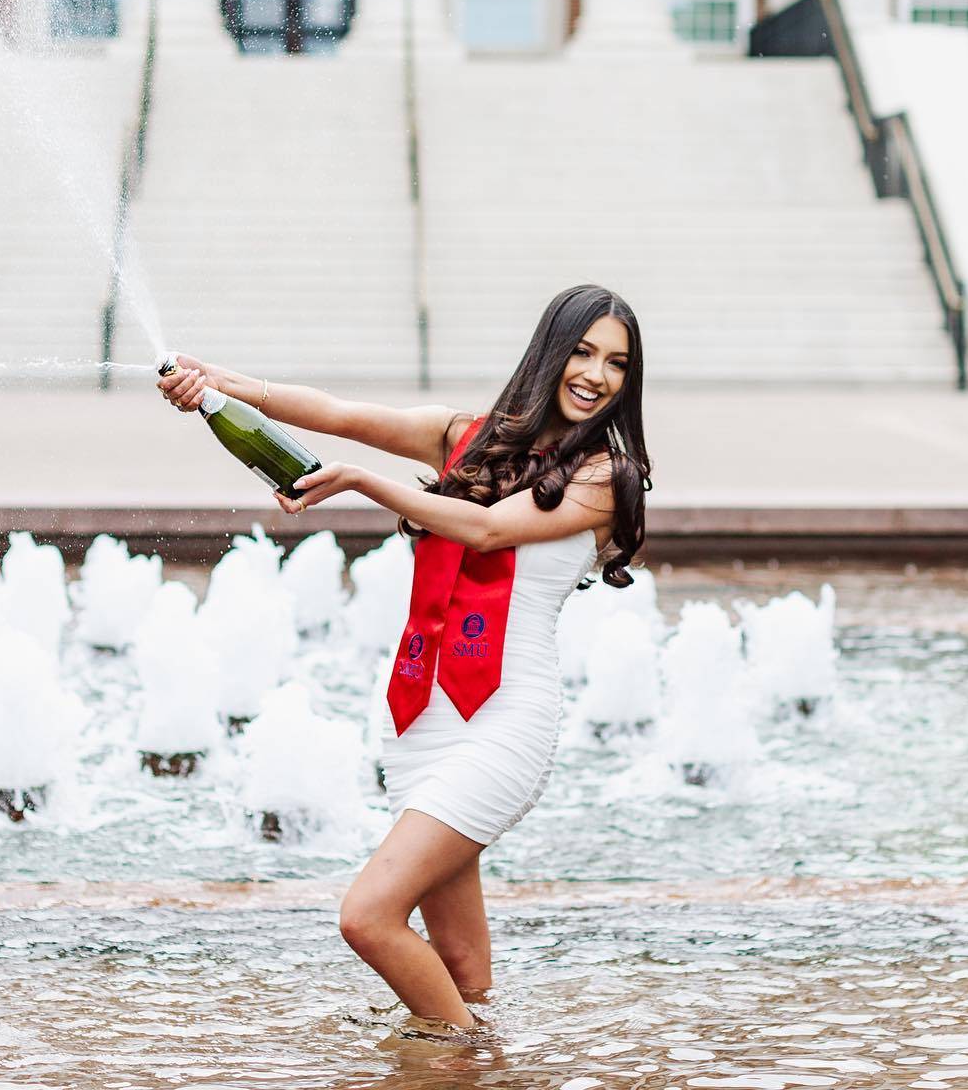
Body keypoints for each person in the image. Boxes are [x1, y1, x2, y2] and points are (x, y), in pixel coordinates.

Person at [158, 283, 652, 1033]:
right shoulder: (467, 436)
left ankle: (459, 1064)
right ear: (551, 352)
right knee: (463, 969)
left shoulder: (600, 477)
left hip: (504, 722)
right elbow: (340, 415)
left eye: (617, 363)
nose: (596, 374)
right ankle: (478, 1062)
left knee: (367, 917)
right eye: (583, 352)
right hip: (421, 719)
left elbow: (485, 530)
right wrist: (217, 385)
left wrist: (360, 481)